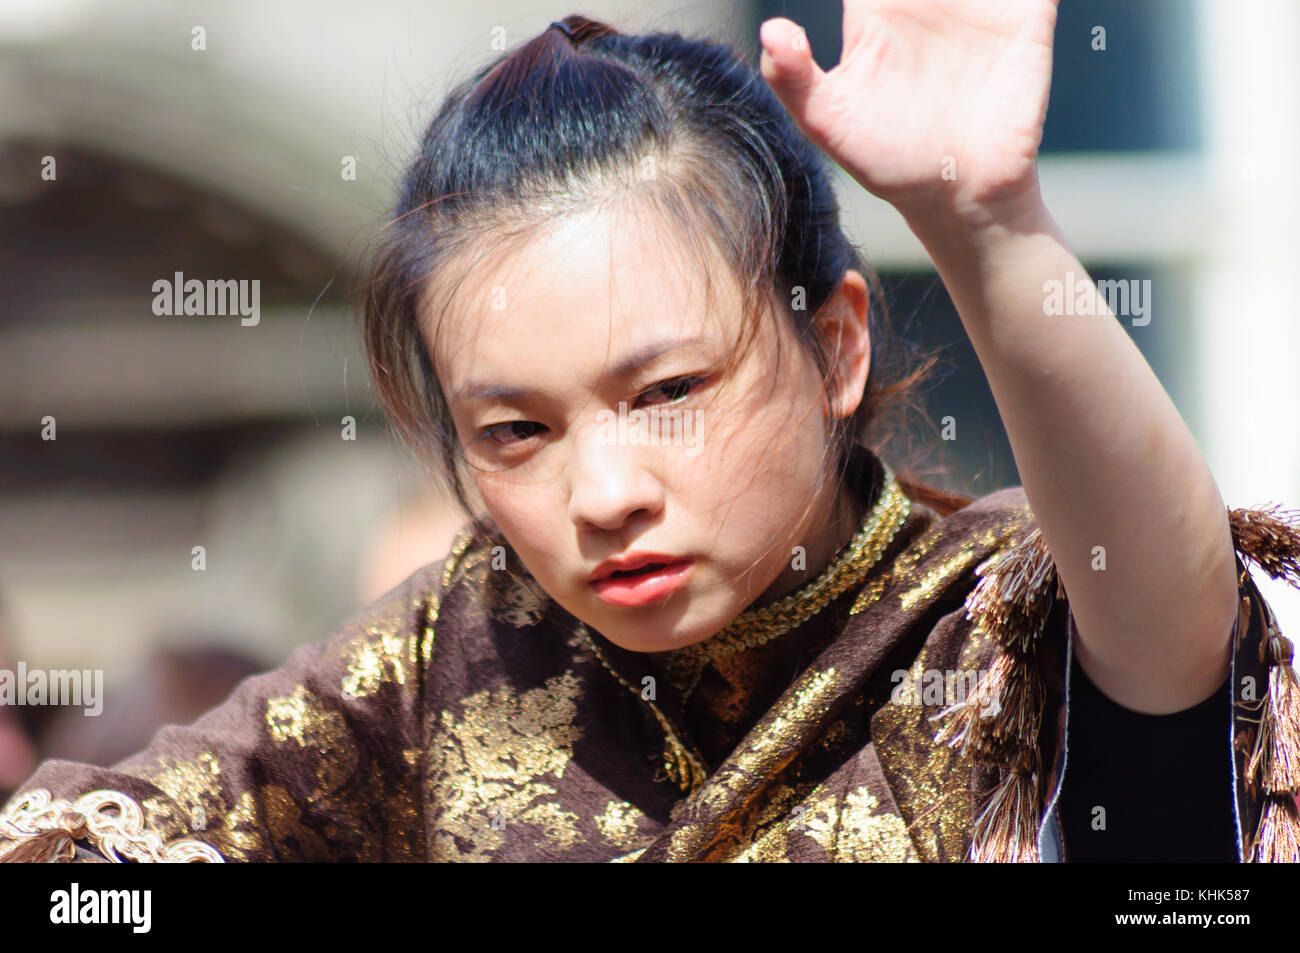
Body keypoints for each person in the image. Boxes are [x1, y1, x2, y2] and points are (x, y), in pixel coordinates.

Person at [3, 5, 1299, 863]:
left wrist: (990, 225)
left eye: (669, 390)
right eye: (515, 429)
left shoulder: (1001, 626)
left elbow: (1163, 598)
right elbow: (83, 862)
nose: (603, 491)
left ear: (837, 344)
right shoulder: (450, 654)